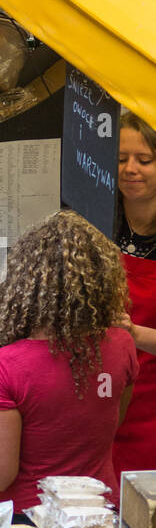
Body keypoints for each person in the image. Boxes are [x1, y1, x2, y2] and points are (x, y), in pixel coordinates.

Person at [0, 211, 137, 512]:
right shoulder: (122, 345)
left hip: (32, 526)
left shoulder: (6, 365)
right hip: (100, 520)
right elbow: (108, 424)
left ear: (25, 284)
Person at [114, 111, 156, 476]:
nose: (130, 169)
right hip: (98, 402)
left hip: (151, 414)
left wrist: (134, 334)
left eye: (144, 160)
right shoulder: (98, 219)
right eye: (121, 158)